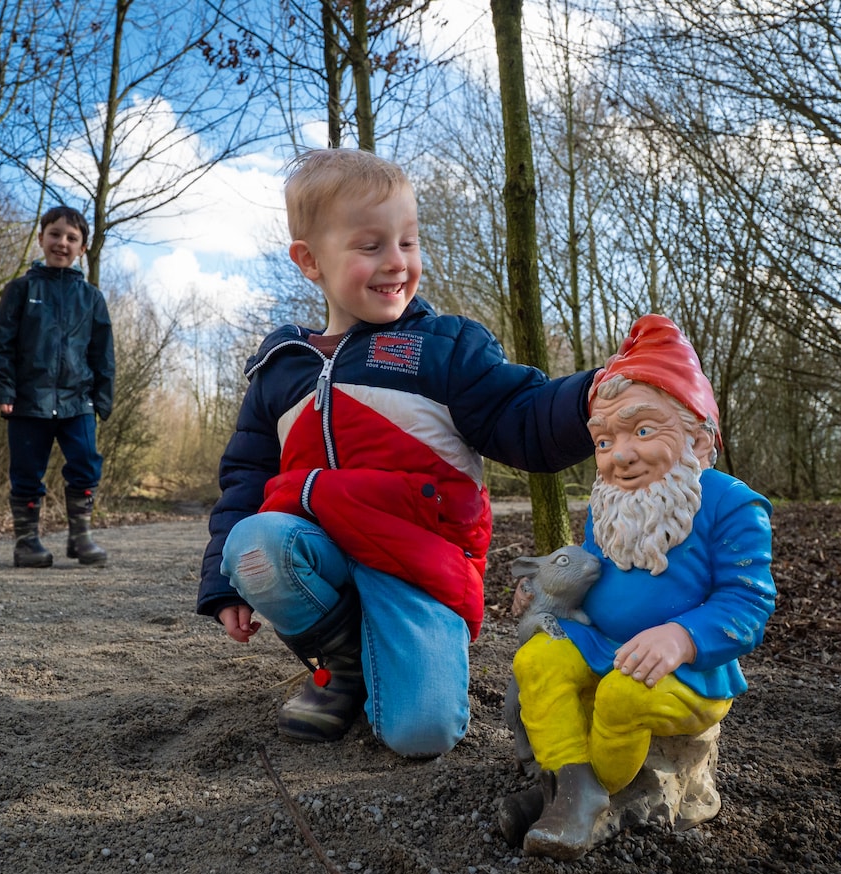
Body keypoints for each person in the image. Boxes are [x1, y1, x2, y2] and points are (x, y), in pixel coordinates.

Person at [196, 148, 596, 759]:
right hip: (317, 554)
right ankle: (344, 666)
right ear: (310, 260)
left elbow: (524, 417)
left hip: (418, 564)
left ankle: (399, 661)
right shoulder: (278, 372)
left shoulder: (444, 349)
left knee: (421, 733)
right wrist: (220, 586)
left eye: (408, 243)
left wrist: (598, 393)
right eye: (370, 246)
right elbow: (245, 477)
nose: (396, 263)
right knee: (250, 547)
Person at [507, 313, 776, 860]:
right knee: (537, 662)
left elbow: (748, 601)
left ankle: (595, 799)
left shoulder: (731, 504)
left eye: (643, 430)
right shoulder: (610, 505)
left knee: (621, 695)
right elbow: (589, 571)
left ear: (699, 442)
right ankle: (574, 790)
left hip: (688, 671)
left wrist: (681, 636)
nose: (619, 455)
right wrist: (546, 593)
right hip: (602, 644)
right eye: (604, 440)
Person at [0, 206, 115, 568]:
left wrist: (102, 399)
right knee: (26, 471)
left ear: (82, 249)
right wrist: (3, 391)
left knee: (87, 466)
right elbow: (2, 346)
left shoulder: (91, 298)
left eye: (72, 238)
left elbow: (103, 352)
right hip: (28, 401)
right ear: (41, 238)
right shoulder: (21, 290)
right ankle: (27, 542)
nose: (62, 242)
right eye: (55, 234)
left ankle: (81, 536)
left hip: (79, 402)